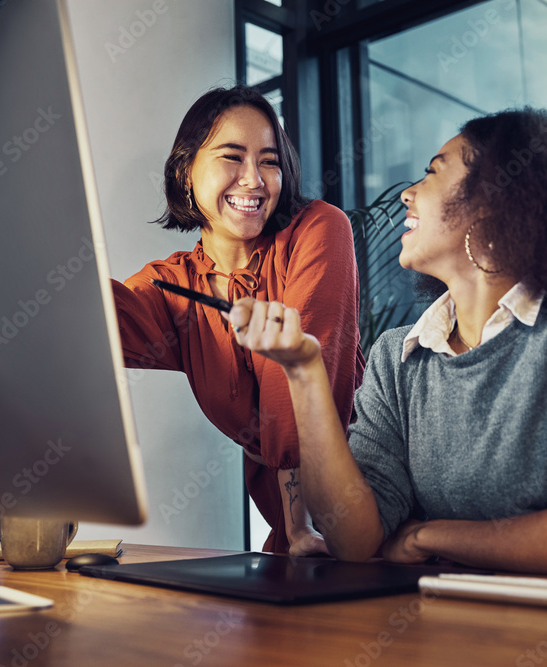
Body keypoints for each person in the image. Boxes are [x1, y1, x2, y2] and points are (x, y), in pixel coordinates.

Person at [227, 107, 547, 575]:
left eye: (433, 174)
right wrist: (303, 371)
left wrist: (425, 537)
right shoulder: (397, 359)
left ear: (495, 205)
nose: (407, 195)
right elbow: (355, 540)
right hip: (483, 617)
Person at [112, 86, 365, 556]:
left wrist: (297, 530)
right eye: (232, 157)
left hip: (362, 510)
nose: (254, 180)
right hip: (296, 535)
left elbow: (292, 384)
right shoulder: (172, 284)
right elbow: (87, 327)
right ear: (185, 172)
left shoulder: (319, 228)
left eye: (269, 161)